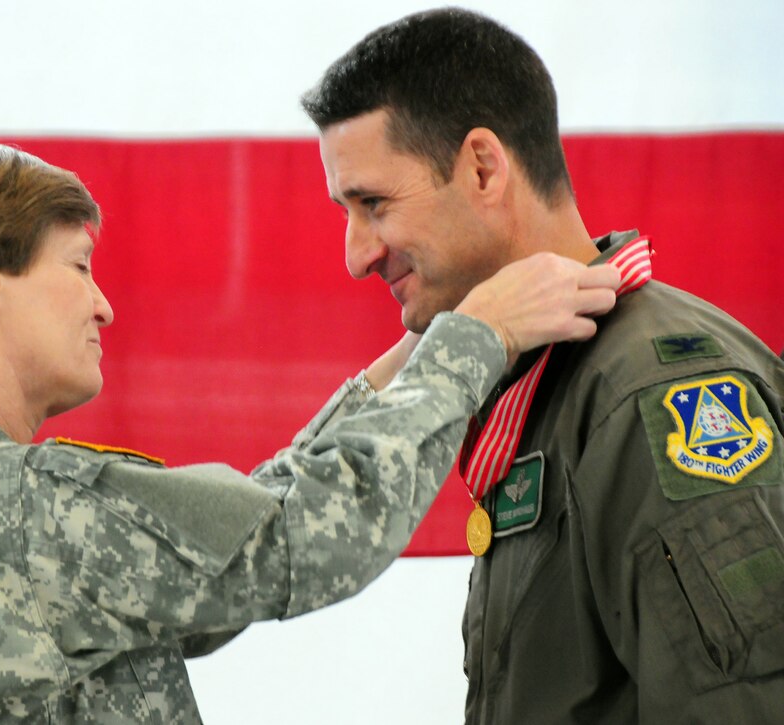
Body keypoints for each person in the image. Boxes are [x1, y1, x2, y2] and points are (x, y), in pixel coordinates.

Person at [0, 138, 617, 723]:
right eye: (76, 265)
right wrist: (476, 337)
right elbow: (303, 541)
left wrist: (407, 361)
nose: (103, 303)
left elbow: (221, 563)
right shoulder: (7, 503)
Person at [302, 7, 784, 722]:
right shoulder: (545, 369)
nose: (356, 254)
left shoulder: (657, 393)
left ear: (483, 167)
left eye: (373, 202)